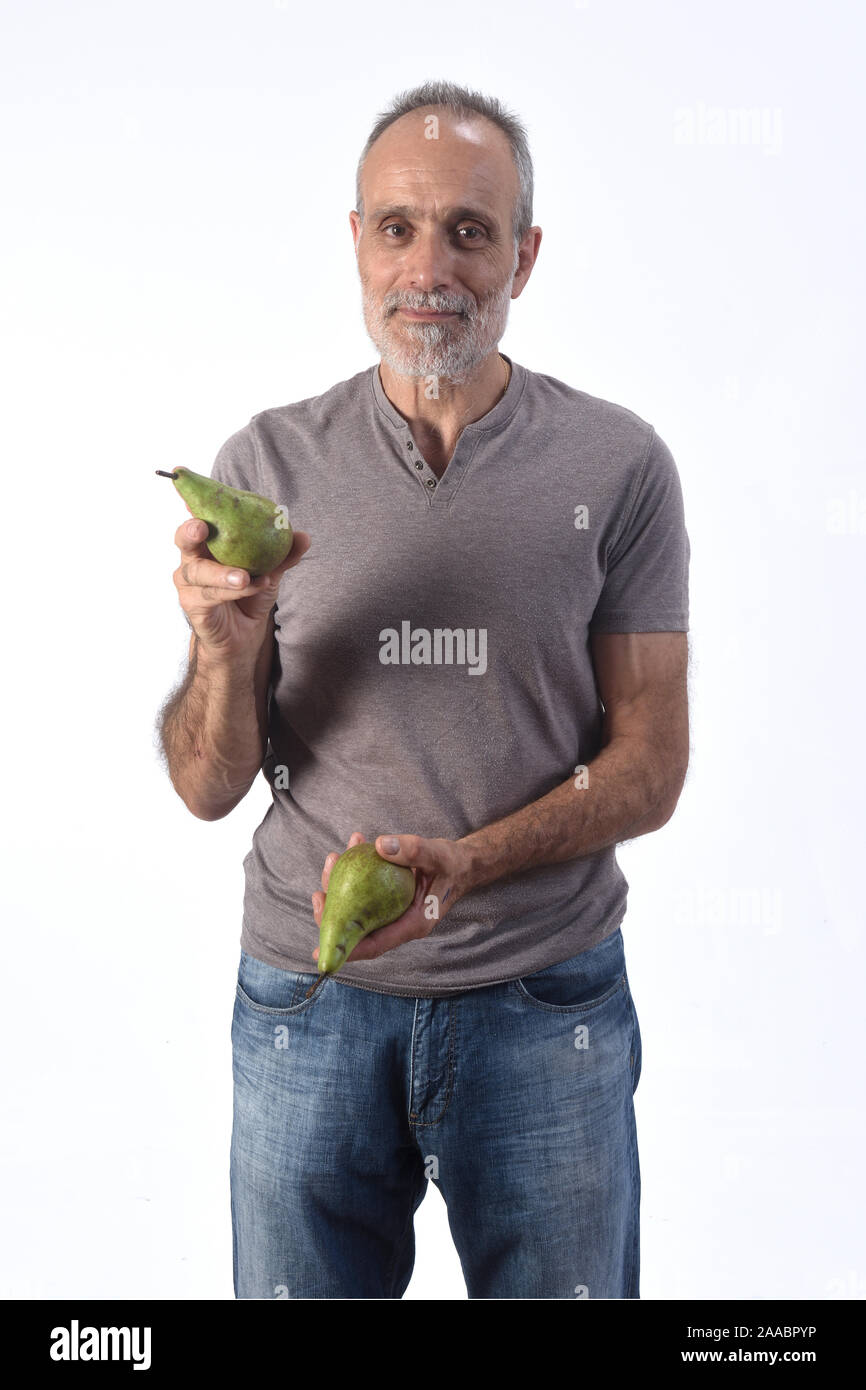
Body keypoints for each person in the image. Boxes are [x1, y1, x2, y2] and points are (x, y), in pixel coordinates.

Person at [157, 80, 690, 1300]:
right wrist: (224, 654)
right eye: (396, 227)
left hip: (544, 998)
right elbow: (205, 786)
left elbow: (649, 762)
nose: (429, 265)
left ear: (525, 255)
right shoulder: (266, 467)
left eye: (469, 229)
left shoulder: (615, 465)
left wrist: (473, 861)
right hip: (307, 997)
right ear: (355, 242)